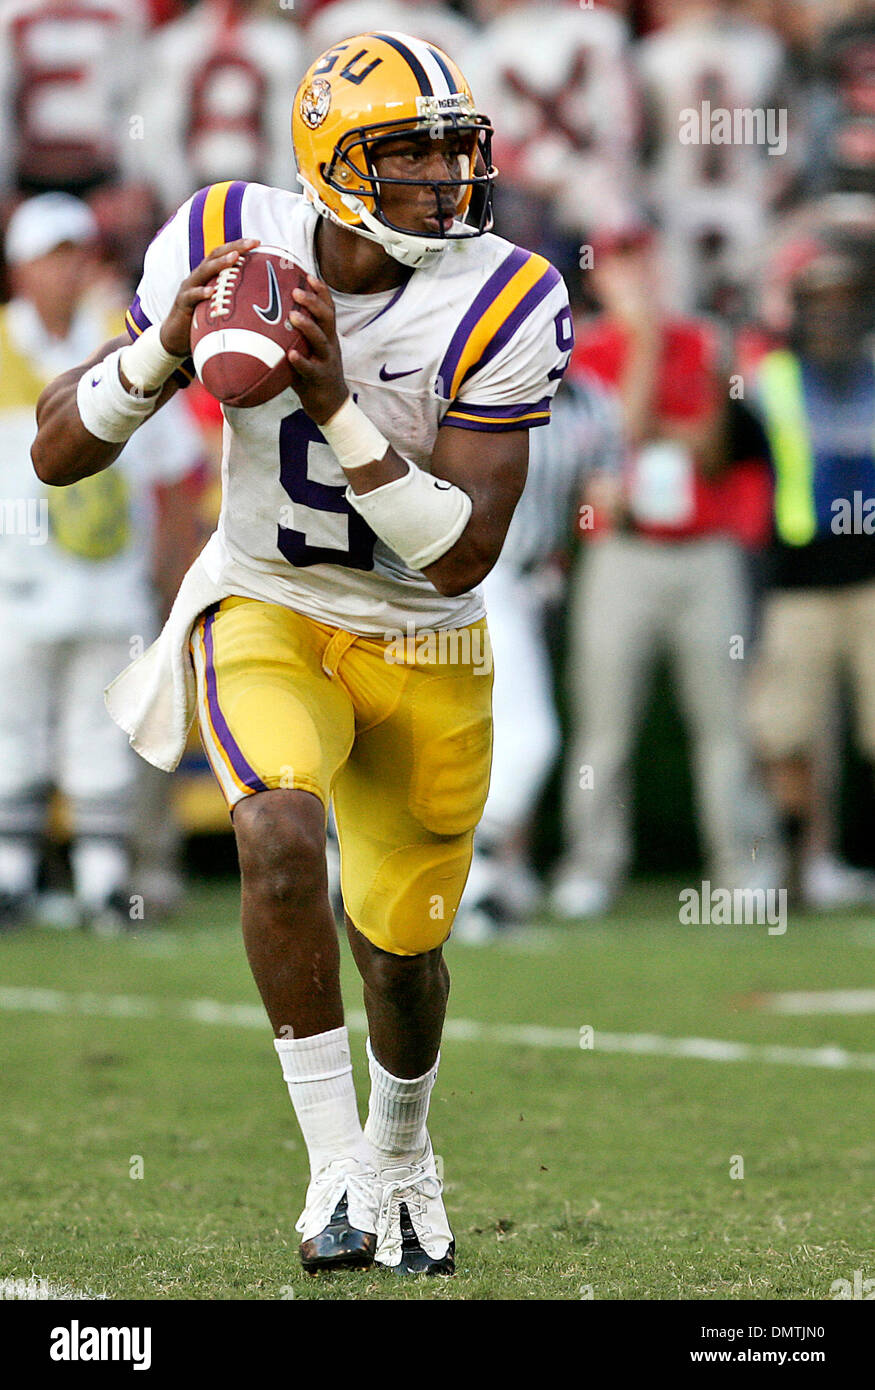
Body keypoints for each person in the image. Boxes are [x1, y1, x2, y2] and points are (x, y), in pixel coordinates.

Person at [32, 33, 572, 1275]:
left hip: (425, 643)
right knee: (277, 834)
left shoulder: (505, 291)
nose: (445, 176)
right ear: (331, 165)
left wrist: (330, 399)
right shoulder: (223, 229)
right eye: (408, 152)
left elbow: (461, 554)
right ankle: (334, 1161)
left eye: (455, 148)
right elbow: (57, 454)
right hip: (266, 601)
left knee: (402, 951)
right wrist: (161, 347)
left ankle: (400, 1148)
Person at [552, 221, 776, 918]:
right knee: (603, 727)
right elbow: (621, 434)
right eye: (622, 266)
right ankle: (591, 864)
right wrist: (644, 346)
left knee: (723, 722)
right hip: (623, 551)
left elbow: (708, 450)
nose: (637, 278)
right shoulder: (585, 351)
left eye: (643, 262)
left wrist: (655, 374)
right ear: (598, 278)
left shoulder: (703, 342)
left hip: (703, 551)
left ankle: (741, 868)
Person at [0, 193, 203, 932]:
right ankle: (12, 878)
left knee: (103, 727)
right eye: (51, 256)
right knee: (10, 729)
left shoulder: (127, 348)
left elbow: (175, 466)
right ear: (20, 267)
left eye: (75, 255)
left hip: (111, 580)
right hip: (15, 580)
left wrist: (174, 566)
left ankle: (102, 881)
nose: (66, 272)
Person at [454, 371, 623, 942]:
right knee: (530, 740)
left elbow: (604, 503)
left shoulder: (592, 404)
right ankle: (464, 874)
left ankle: (470, 878)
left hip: (528, 585)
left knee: (493, 737)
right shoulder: (484, 384)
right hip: (474, 576)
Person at [749, 236, 875, 902]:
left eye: (844, 302)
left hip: (871, 581)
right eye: (819, 303)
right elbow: (721, 457)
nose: (831, 316)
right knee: (786, 729)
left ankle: (848, 858)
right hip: (798, 579)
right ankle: (799, 860)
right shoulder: (769, 380)